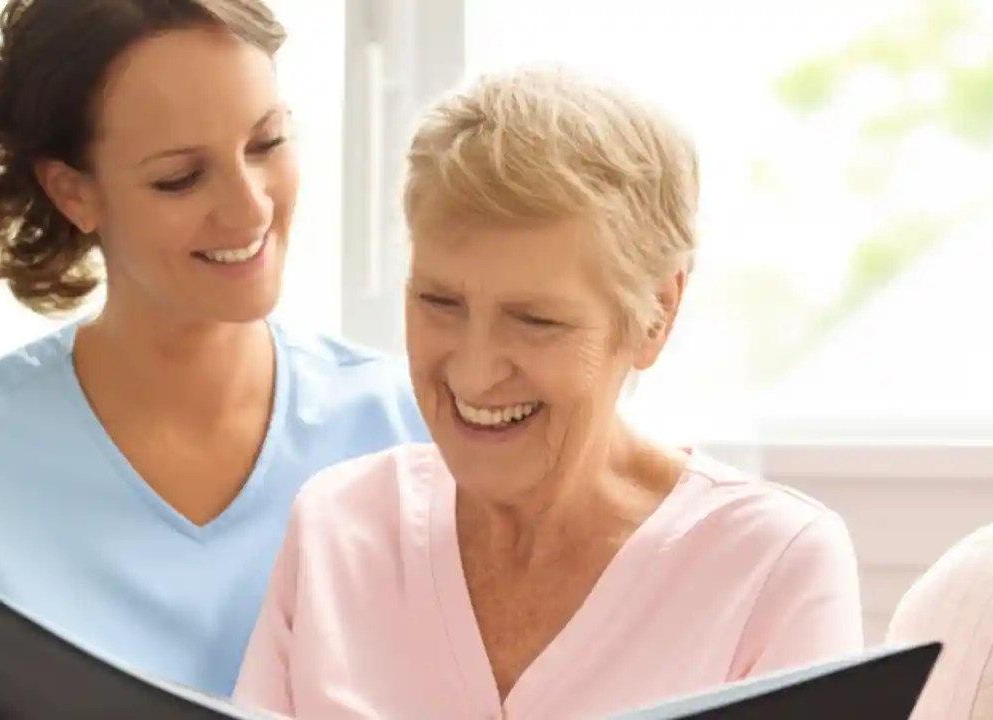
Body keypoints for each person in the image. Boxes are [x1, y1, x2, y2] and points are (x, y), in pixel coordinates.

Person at [0, 0, 429, 716]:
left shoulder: (414, 424)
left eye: (266, 143)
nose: (249, 209)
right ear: (73, 191)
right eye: (180, 177)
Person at [233, 66, 865, 719]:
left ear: (657, 313)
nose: (475, 374)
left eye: (536, 321)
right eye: (439, 302)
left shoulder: (772, 566)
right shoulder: (337, 526)